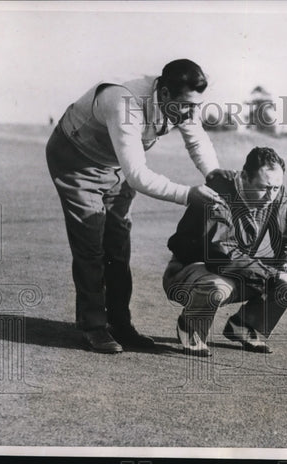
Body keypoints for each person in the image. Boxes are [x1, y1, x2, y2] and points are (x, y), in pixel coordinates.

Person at [46, 59, 230, 353]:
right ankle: (93, 327)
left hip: (115, 163)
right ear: (165, 93)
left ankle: (120, 324)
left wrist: (213, 175)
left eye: (198, 105)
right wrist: (188, 194)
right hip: (76, 161)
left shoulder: (183, 101)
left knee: (117, 245)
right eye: (187, 106)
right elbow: (138, 175)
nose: (192, 113)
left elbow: (198, 141)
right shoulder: (124, 103)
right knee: (91, 244)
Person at [163, 147, 287, 357]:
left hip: (236, 270)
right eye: (264, 187)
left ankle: (245, 324)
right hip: (188, 272)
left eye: (276, 188)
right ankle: (190, 326)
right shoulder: (218, 192)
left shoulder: (275, 194)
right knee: (218, 286)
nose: (271, 195)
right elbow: (222, 256)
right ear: (245, 177)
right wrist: (275, 275)